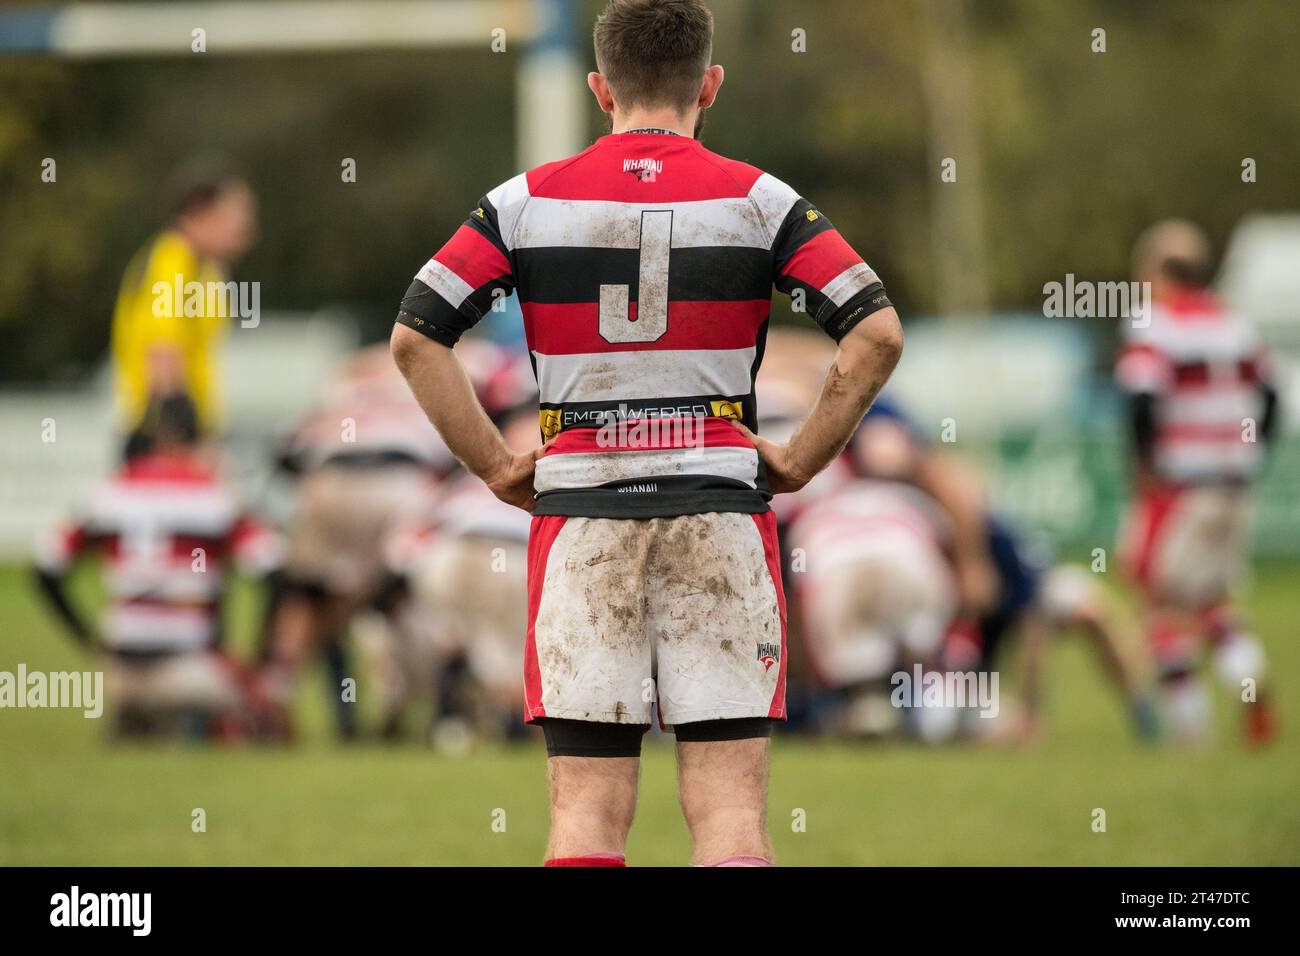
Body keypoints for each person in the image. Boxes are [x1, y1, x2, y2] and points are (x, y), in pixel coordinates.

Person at [390, 0, 903, 866]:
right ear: (711, 85)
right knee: (732, 821)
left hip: (582, 513)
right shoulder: (761, 198)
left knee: (586, 819)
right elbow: (876, 332)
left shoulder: (522, 203)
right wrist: (804, 457)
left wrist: (496, 466)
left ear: (599, 89)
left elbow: (415, 338)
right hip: (719, 510)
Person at [1115, 219, 1280, 744]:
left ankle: (1192, 727)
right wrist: (1252, 451)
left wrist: (1144, 461)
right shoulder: (1231, 322)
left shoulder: (1156, 322)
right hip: (1233, 481)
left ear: (1159, 271)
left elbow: (1142, 396)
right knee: (1212, 599)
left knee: (1163, 601)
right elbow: (1272, 395)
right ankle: (1251, 681)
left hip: (1183, 485)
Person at [32, 395, 281, 739]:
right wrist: (258, 655)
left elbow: (45, 568)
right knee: (270, 713)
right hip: (190, 670)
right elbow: (274, 571)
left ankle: (138, 716)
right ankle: (199, 725)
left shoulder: (108, 490)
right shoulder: (213, 492)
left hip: (117, 666)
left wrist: (88, 639)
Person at [110, 159, 258, 448]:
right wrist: (183, 430)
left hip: (189, 429)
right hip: (163, 436)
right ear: (199, 212)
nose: (247, 228)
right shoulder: (173, 262)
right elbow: (163, 351)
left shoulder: (207, 270)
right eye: (238, 213)